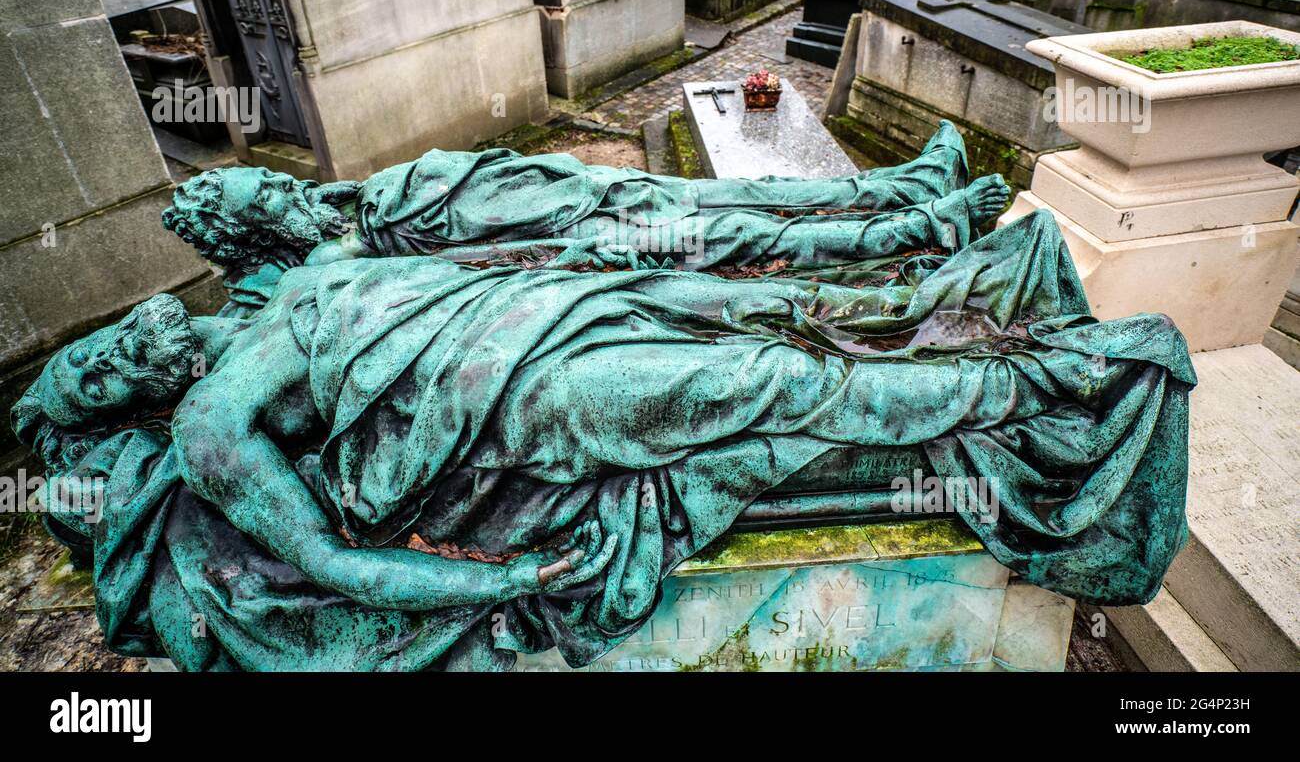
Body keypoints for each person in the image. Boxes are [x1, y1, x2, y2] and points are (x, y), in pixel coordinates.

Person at [13, 211, 1195, 670]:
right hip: (528, 409)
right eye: (100, 373)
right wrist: (510, 576)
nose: (124, 344)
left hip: (534, 316)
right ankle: (1056, 382)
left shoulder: (270, 295)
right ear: (119, 415)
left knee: (762, 304)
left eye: (105, 342)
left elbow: (406, 254)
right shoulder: (214, 428)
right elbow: (334, 568)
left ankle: (979, 299)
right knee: (769, 384)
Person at [162, 122, 1007, 314]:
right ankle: (916, 230)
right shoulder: (304, 283)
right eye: (269, 202)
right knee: (740, 234)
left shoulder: (341, 205)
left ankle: (902, 185)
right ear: (253, 238)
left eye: (271, 183)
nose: (289, 192)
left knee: (725, 196)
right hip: (565, 256)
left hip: (573, 196)